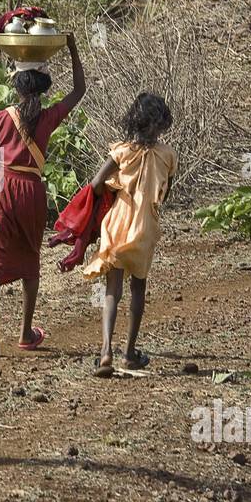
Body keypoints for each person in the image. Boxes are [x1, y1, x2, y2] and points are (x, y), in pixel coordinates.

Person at [0, 35, 86, 357]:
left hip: (2, 189)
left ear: (16, 86)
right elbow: (78, 91)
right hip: (32, 190)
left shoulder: (0, 119)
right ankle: (26, 333)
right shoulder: (47, 118)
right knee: (30, 260)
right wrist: (72, 50)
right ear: (43, 87)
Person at [82, 93, 177, 377]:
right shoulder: (168, 155)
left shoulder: (121, 151)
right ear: (161, 124)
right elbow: (164, 194)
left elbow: (96, 183)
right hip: (144, 225)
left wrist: (106, 197)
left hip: (117, 220)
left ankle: (106, 351)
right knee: (138, 287)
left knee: (113, 289)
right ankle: (130, 353)